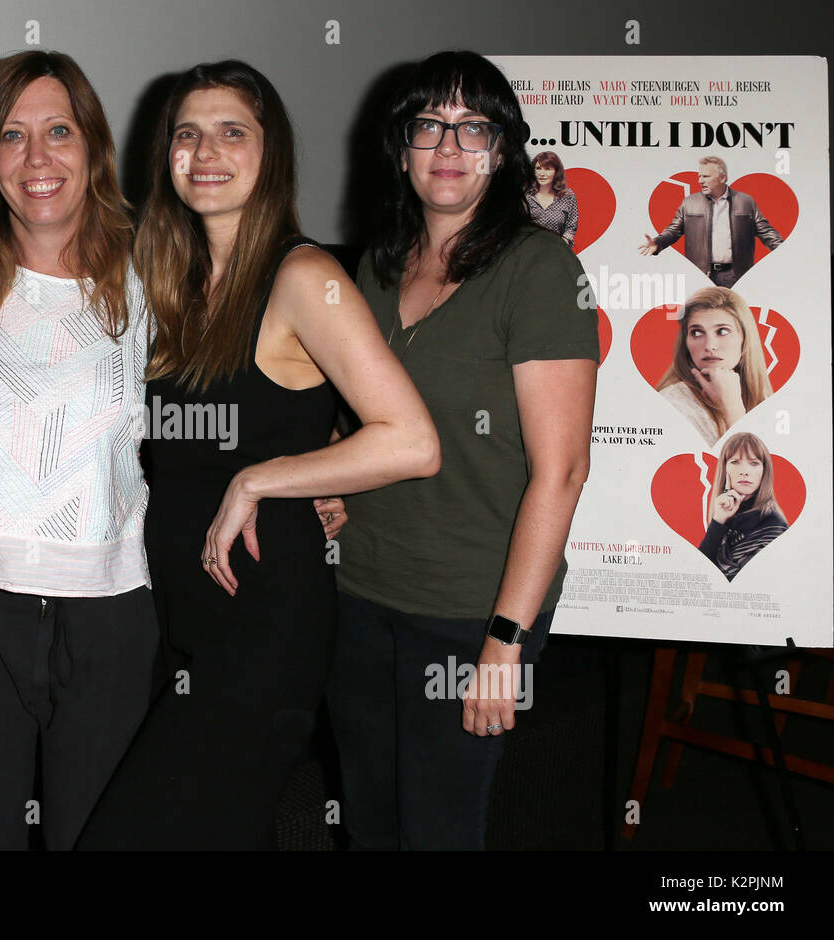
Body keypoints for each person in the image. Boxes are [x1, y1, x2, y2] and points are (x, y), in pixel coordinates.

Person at [75, 60, 439, 850]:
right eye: (188, 134)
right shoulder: (169, 275)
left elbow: (412, 440)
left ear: (270, 153)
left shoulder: (304, 274)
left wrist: (261, 478)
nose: (206, 151)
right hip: (185, 612)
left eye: (232, 131)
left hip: (267, 621)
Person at [326, 51, 599, 850]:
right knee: (367, 819)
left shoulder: (540, 270)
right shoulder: (376, 265)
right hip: (360, 590)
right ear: (402, 146)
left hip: (471, 606)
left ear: (503, 149)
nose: (448, 146)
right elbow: (369, 420)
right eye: (429, 126)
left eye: (473, 127)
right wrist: (330, 475)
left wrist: (504, 644)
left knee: (440, 831)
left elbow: (564, 470)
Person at [0, 51, 162, 851]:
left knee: (92, 837)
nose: (38, 157)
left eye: (59, 131)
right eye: (11, 136)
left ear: (93, 148)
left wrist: (311, 465)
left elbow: (249, 391)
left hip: (110, 607)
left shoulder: (154, 275)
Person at [639, 156, 784, 286]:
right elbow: (673, 231)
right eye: (699, 176)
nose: (700, 181)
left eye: (706, 176)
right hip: (700, 276)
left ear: (722, 178)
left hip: (737, 276)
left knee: (734, 316)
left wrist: (785, 250)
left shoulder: (746, 201)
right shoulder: (689, 203)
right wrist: (657, 243)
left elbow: (766, 232)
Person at [656, 285, 772, 446]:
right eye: (697, 332)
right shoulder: (673, 402)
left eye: (722, 331)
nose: (710, 345)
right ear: (686, 342)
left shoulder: (761, 395)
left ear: (744, 338)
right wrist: (732, 408)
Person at [699, 432, 788, 581]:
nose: (744, 471)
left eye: (754, 463)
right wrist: (718, 520)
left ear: (764, 471)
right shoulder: (725, 515)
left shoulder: (773, 525)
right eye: (735, 462)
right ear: (724, 468)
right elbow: (698, 571)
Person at [526, 151, 577, 247]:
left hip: (557, 252)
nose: (542, 173)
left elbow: (571, 227)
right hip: (529, 251)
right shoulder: (526, 195)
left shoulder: (567, 196)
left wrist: (562, 245)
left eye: (547, 169)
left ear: (556, 172)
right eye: (538, 168)